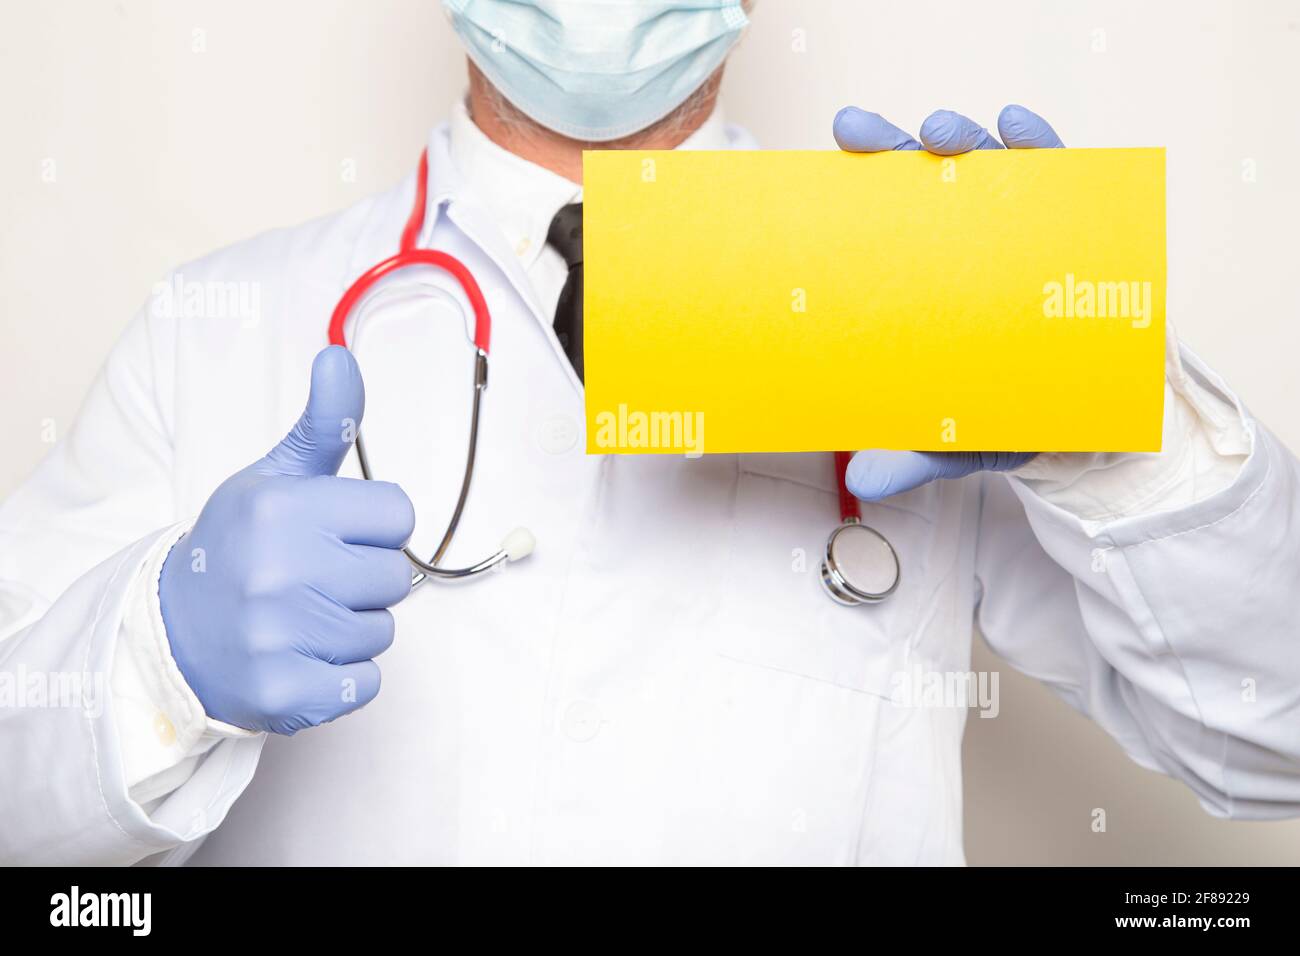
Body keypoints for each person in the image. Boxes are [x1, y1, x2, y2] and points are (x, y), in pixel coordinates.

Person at [1, 0, 1296, 866]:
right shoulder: (219, 322)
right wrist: (155, 665)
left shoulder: (927, 309)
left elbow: (1271, 740)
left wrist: (1124, 439)